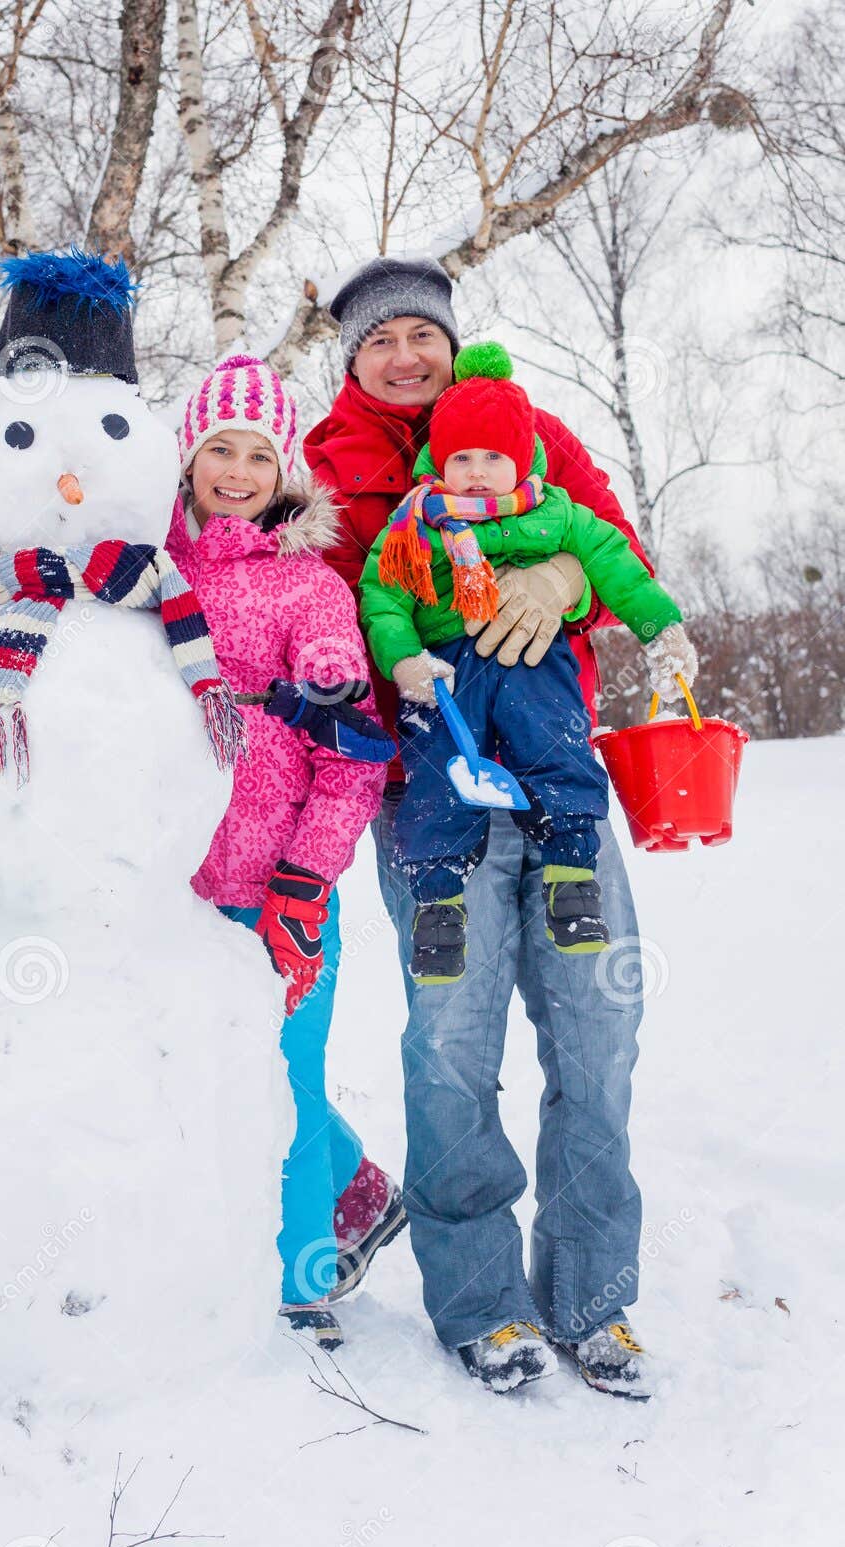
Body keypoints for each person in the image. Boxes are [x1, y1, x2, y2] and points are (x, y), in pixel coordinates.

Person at [303, 256, 659, 1399]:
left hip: (560, 790)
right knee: (453, 1050)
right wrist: (393, 653)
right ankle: (481, 1302)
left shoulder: (533, 428)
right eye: (378, 341)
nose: (405, 356)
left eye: (422, 333)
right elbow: (302, 615)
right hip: (431, 799)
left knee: (599, 1037)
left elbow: (622, 560)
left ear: (452, 340)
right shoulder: (327, 465)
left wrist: (564, 573)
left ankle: (592, 1295)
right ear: (351, 360)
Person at [169, 355, 401, 1349]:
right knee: (206, 1069)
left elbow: (352, 763)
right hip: (176, 888)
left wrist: (308, 878)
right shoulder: (156, 574)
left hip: (284, 888)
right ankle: (354, 1192)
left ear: (283, 468)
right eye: (218, 447)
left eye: (256, 452)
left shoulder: (309, 585)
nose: (235, 468)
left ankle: (306, 1282)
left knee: (289, 1078)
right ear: (187, 461)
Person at [358, 341, 697, 982]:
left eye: (494, 456)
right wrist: (403, 662)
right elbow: (382, 598)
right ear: (438, 460)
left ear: (523, 459)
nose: (478, 471)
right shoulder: (413, 528)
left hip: (536, 661)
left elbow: (620, 566)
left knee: (558, 748)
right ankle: (438, 905)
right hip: (447, 675)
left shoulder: (558, 515)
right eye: (462, 457)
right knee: (437, 778)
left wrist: (661, 629)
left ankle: (571, 874)